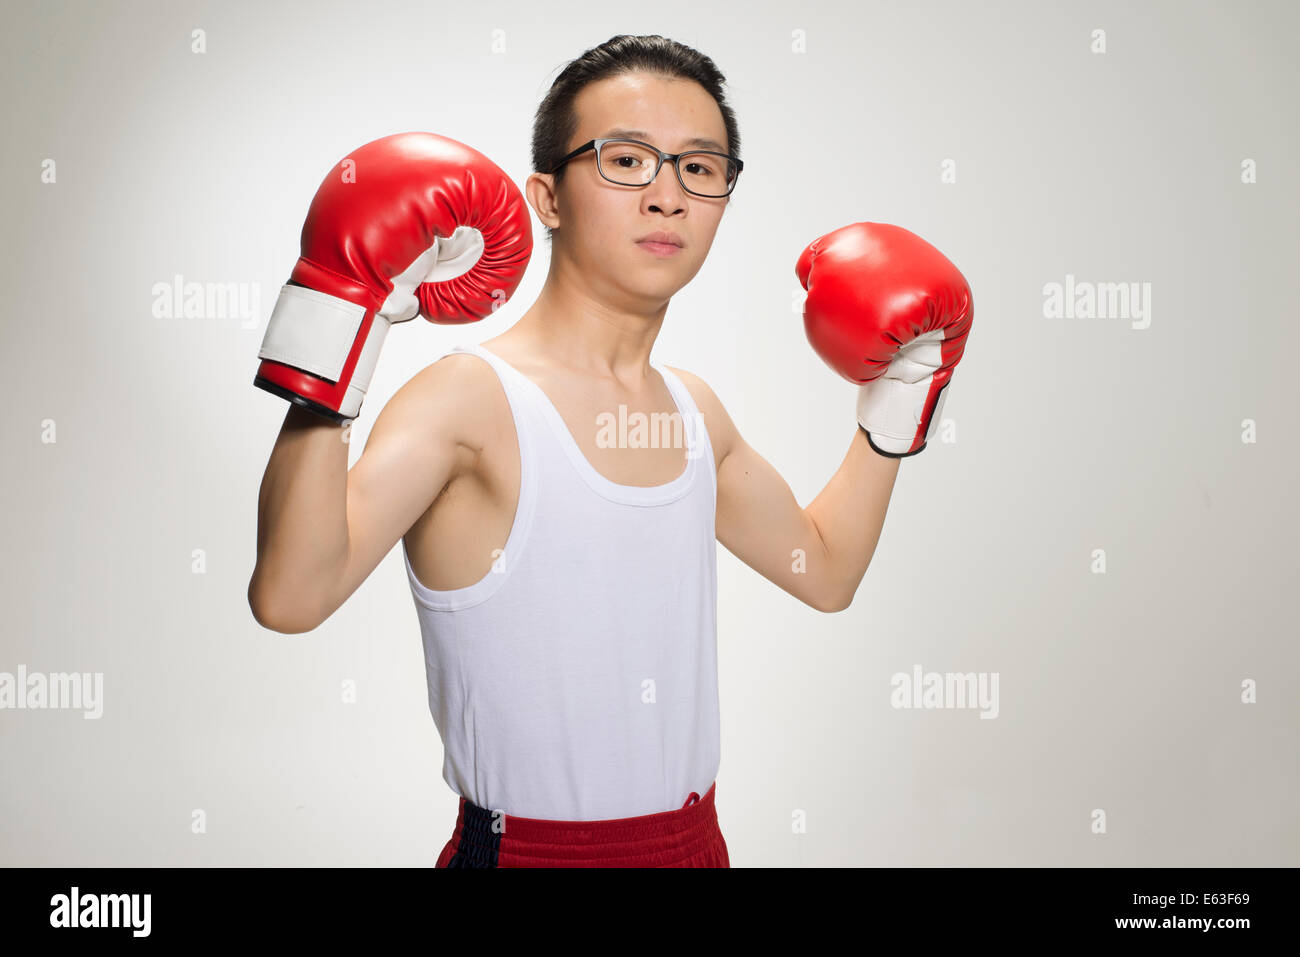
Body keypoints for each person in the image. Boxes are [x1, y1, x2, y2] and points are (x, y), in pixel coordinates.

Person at [248, 34, 971, 868]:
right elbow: (290, 597)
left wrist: (899, 404)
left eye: (699, 169)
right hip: (532, 855)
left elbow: (828, 571)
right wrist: (340, 321)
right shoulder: (469, 399)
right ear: (546, 198)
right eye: (627, 160)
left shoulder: (692, 410)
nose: (668, 196)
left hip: (697, 846)